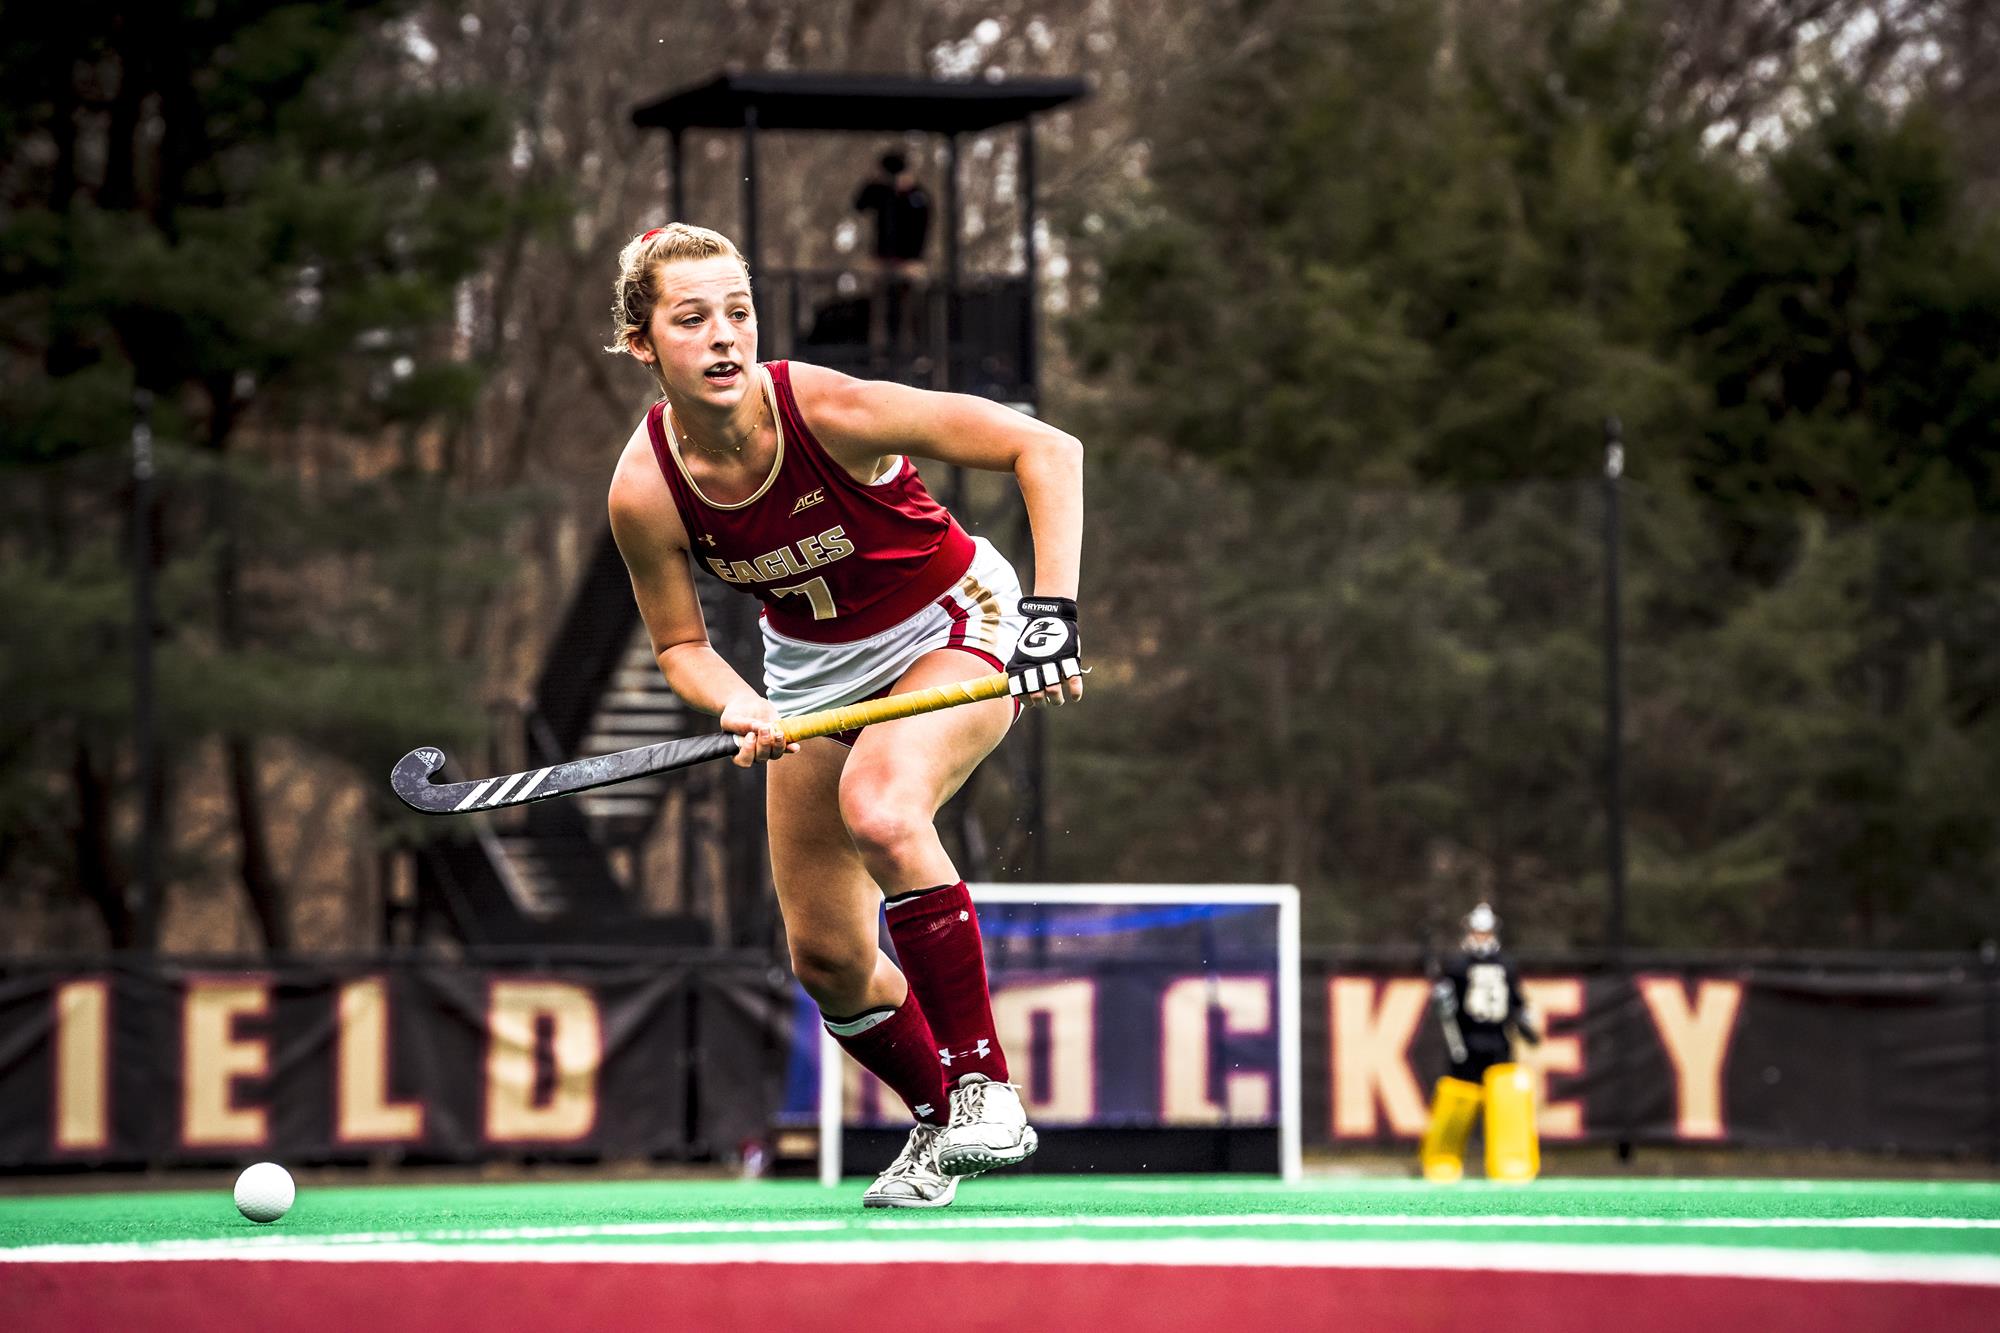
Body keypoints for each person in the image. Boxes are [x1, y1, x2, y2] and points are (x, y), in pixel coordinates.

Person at [603, 223, 1084, 1208]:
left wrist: (1053, 614)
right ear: (643, 344)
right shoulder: (643, 490)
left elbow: (1047, 447)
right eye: (691, 319)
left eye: (737, 311)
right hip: (810, 678)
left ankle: (989, 1089)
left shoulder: (826, 408)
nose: (725, 337)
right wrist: (743, 705)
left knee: (881, 807)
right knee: (824, 957)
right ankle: (940, 1115)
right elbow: (681, 647)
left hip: (953, 620)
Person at [1418, 902, 1543, 1181]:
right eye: (1477, 932)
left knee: (1508, 1103)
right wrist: (1442, 1001)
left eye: (1485, 933)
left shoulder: (1506, 966)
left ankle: (1512, 1161)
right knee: (1456, 1101)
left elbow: (1517, 1003)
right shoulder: (1458, 966)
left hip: (1499, 1043)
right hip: (1465, 1044)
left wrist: (1525, 1021)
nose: (1481, 937)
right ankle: (1442, 1160)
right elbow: (1446, 1003)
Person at [851, 151, 933, 369]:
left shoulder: (917, 196)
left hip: (910, 263)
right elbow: (859, 205)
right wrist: (874, 182)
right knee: (880, 309)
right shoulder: (881, 192)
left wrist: (915, 259)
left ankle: (915, 356)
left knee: (912, 309)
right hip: (882, 261)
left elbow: (924, 223)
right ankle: (878, 356)